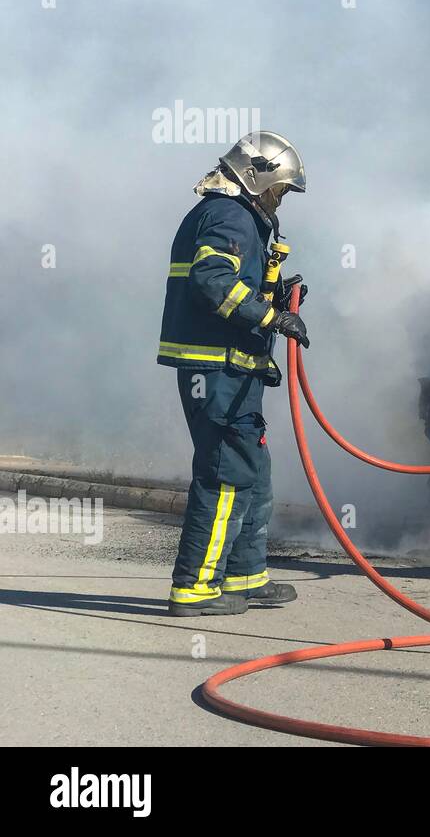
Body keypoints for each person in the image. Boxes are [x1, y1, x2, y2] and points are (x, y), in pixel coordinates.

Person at [158, 132, 311, 616]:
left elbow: (229, 279)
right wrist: (270, 317)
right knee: (225, 473)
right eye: (279, 188)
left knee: (252, 470)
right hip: (216, 369)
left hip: (232, 369)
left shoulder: (231, 217)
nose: (280, 198)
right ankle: (197, 588)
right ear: (256, 178)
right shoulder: (231, 216)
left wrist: (276, 294)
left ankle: (244, 577)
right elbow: (212, 280)